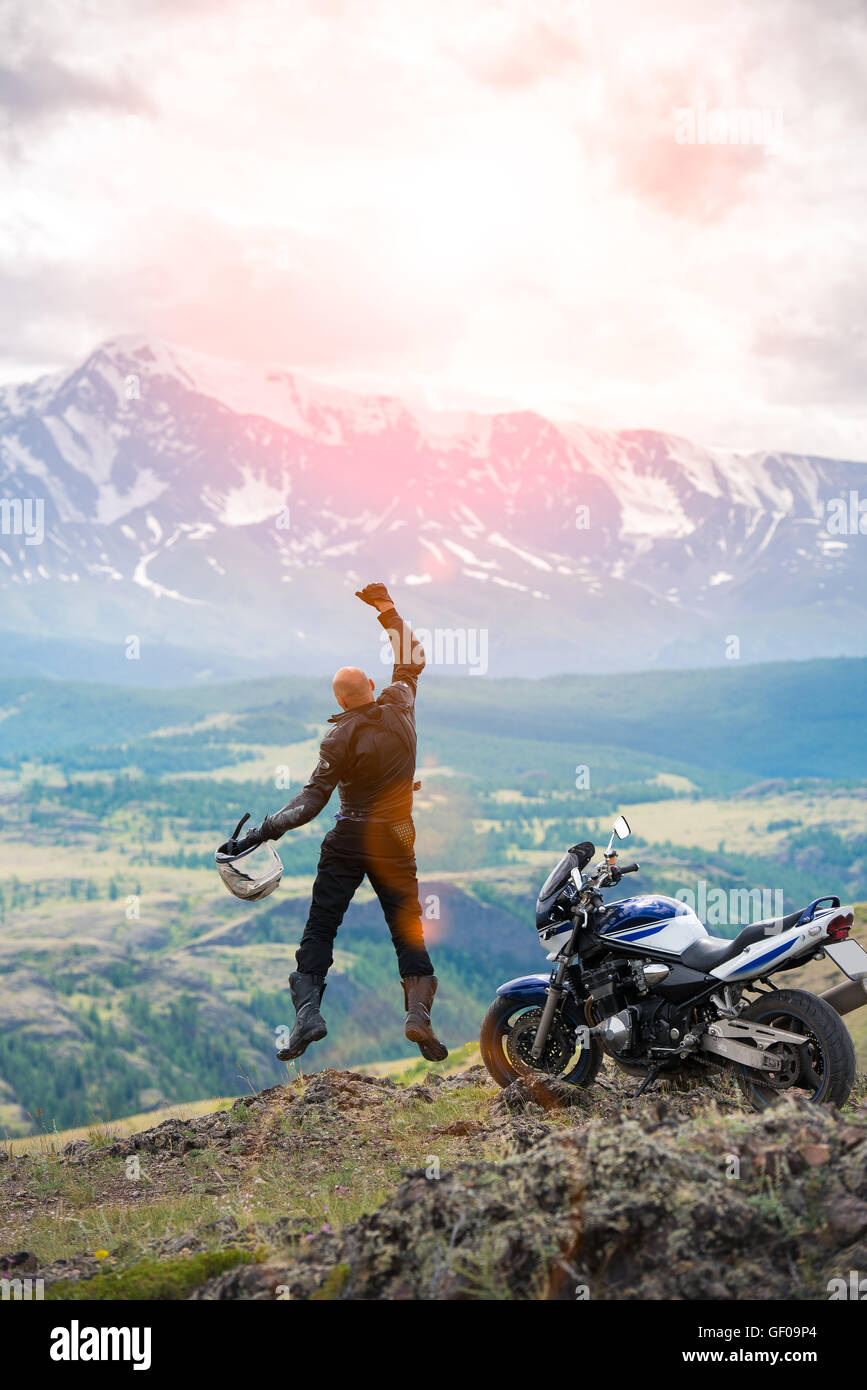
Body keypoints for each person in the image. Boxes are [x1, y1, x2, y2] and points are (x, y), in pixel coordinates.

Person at [234, 582, 448, 1064]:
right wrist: (387, 611)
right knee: (407, 927)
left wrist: (260, 832)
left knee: (321, 927)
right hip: (396, 836)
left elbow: (309, 804)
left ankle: (308, 1013)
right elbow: (411, 660)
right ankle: (417, 1017)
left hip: (349, 836)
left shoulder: (337, 739)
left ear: (339, 699)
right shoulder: (401, 705)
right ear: (370, 687)